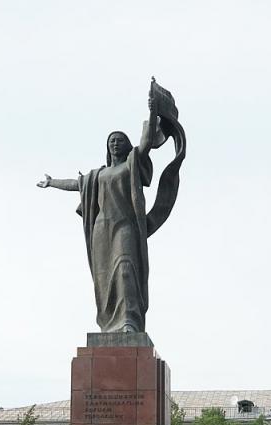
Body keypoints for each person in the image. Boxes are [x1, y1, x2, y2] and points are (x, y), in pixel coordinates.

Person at [38, 79, 186, 334]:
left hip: (125, 225)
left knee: (126, 268)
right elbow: (77, 184)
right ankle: (111, 325)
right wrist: (52, 183)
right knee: (106, 279)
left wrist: (152, 111)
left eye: (119, 140)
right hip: (101, 229)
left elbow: (147, 141)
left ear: (127, 145)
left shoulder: (131, 165)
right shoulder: (97, 175)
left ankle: (129, 320)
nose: (115, 143)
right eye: (112, 141)